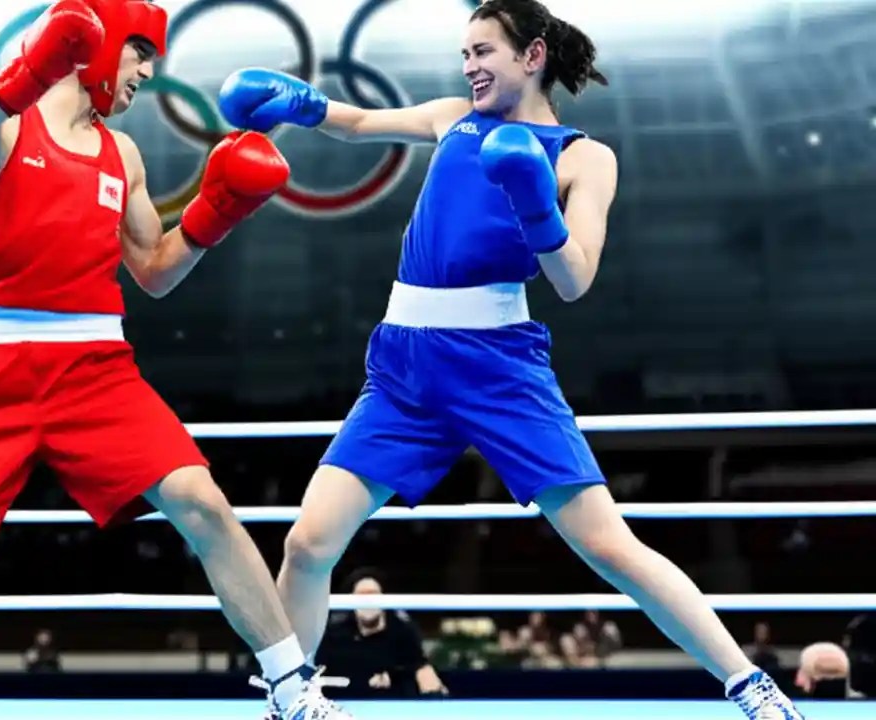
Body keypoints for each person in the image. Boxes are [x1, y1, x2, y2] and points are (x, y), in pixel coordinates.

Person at [216, 0, 805, 717]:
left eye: (483, 52)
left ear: (532, 58)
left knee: (608, 545)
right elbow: (360, 123)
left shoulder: (586, 156)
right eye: (464, 54)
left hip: (498, 366)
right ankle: (292, 698)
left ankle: (749, 683)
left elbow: (576, 277)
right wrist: (297, 106)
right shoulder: (450, 120)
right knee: (308, 542)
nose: (469, 67)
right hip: (403, 366)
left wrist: (536, 205)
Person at [0, 2, 350, 718]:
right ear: (92, 48)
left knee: (203, 504)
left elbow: (154, 270)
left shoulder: (119, 153)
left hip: (96, 366)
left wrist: (215, 212)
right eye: (137, 54)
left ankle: (290, 686)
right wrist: (34, 68)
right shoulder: (5, 123)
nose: (148, 74)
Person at [316, 569, 448, 697]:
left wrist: (434, 692)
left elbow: (421, 668)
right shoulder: (334, 633)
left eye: (373, 594)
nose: (368, 602)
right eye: (361, 596)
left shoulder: (403, 631)